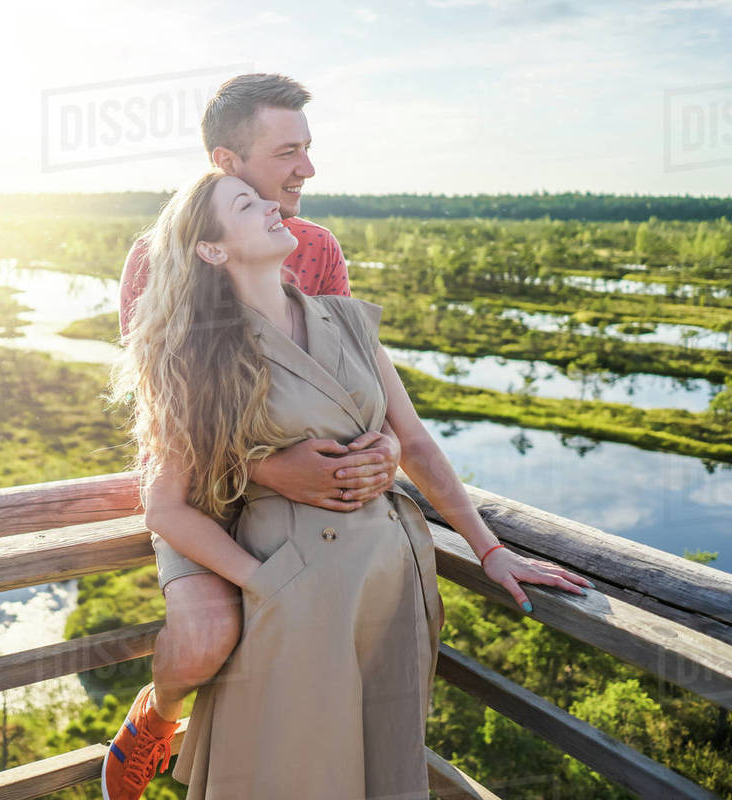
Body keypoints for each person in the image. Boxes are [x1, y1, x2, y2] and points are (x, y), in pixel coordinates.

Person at [105, 169, 594, 798]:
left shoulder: (350, 322)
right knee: (287, 769)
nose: (272, 205)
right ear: (212, 249)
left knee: (383, 766)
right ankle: (152, 721)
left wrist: (490, 550)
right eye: (246, 204)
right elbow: (166, 508)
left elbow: (414, 442)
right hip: (293, 585)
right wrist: (264, 582)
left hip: (391, 583)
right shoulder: (201, 351)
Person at [104, 72, 403, 799]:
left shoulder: (318, 248)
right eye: (286, 153)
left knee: (321, 630)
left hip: (299, 490)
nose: (306, 169)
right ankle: (158, 722)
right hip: (202, 487)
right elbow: (171, 410)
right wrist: (271, 473)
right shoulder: (160, 254)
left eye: (307, 150)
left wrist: (387, 447)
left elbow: (348, 373)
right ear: (226, 162)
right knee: (209, 636)